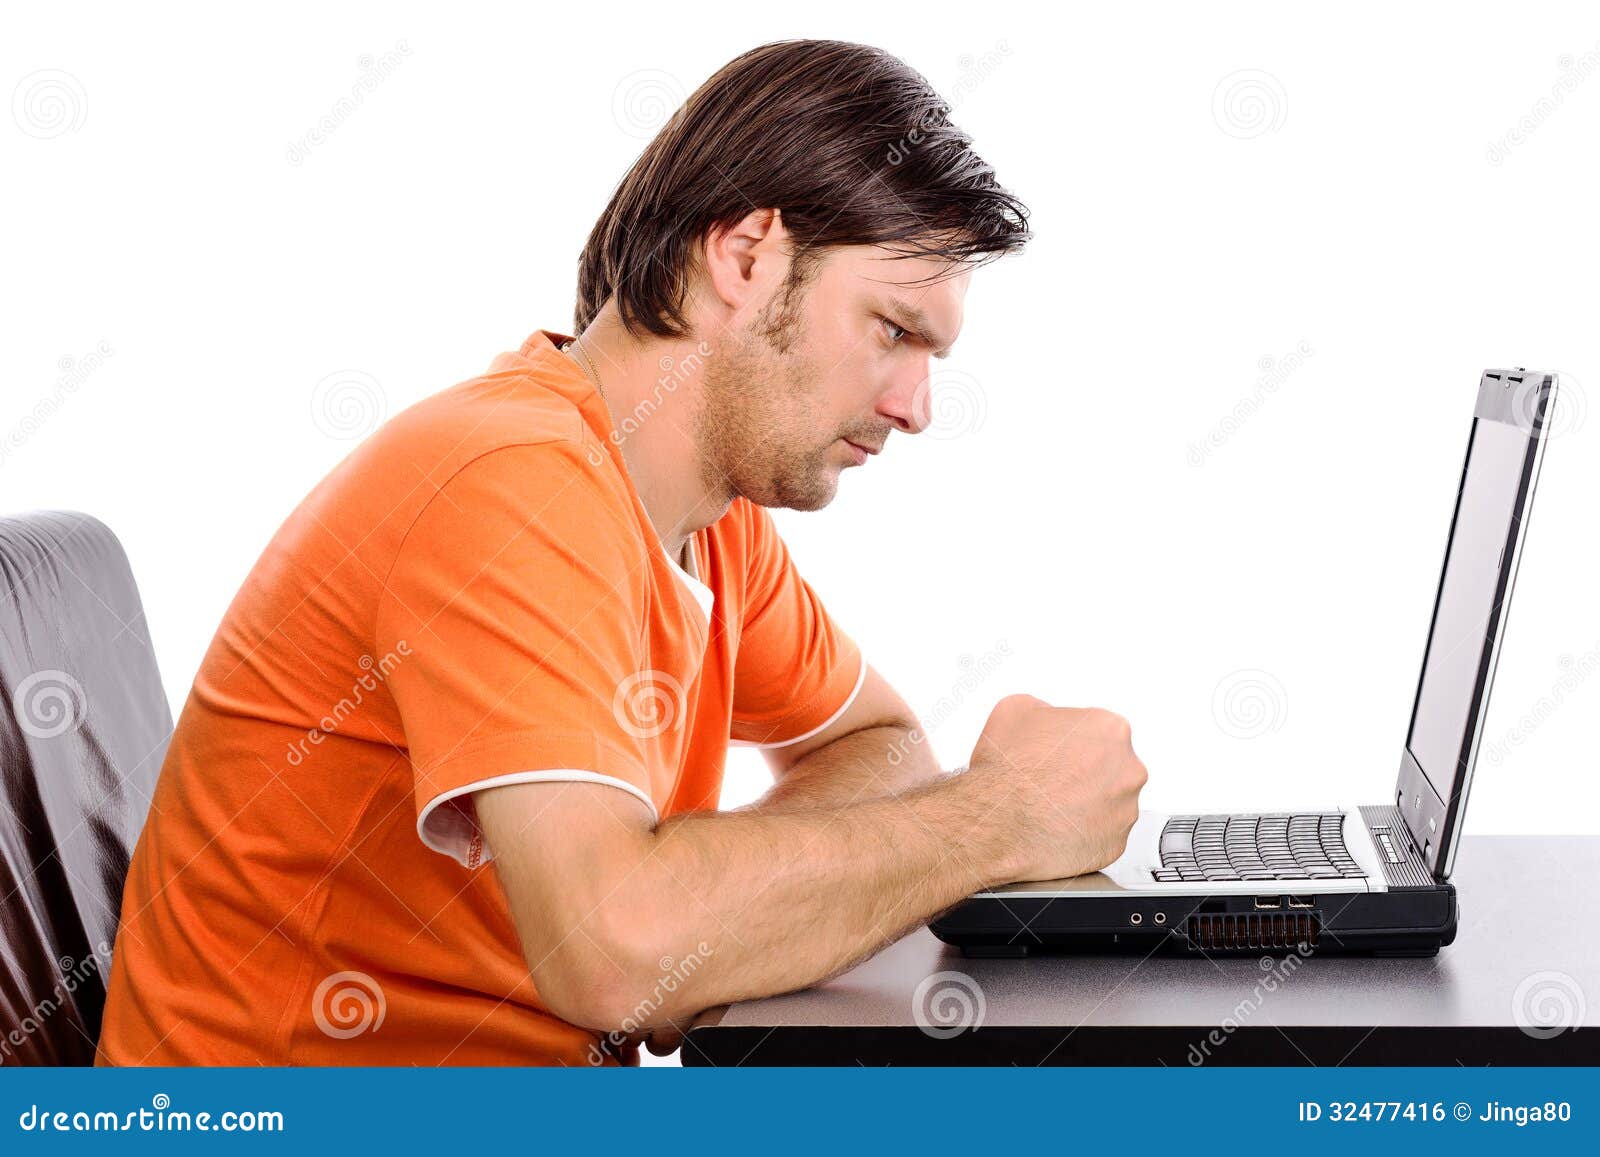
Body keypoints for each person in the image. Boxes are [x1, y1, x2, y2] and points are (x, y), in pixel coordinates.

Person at [97, 38, 1146, 1067]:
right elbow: (611, 951)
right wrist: (1006, 815)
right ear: (744, 257)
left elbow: (876, 746)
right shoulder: (508, 481)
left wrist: (713, 914)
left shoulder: (711, 518)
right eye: (890, 329)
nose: (915, 405)